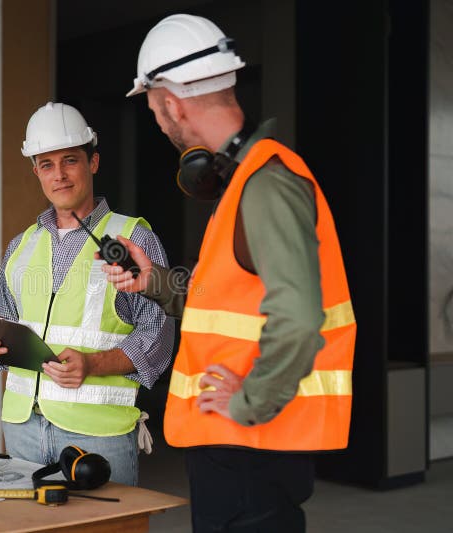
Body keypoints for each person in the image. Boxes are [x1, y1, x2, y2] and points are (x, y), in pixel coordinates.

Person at [106, 14, 357, 531]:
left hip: (248, 444)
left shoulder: (265, 184)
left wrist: (249, 401)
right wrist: (152, 280)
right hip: (234, 444)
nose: (158, 121)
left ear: (171, 102)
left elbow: (301, 315)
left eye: (154, 109)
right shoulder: (244, 184)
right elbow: (224, 299)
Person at [0, 102, 174, 486]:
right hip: (22, 428)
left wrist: (92, 365)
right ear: (36, 171)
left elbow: (158, 337)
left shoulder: (133, 238)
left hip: (97, 434)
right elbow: (3, 321)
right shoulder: (21, 245)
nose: (59, 175)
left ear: (93, 162)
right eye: (47, 164)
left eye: (70, 161)